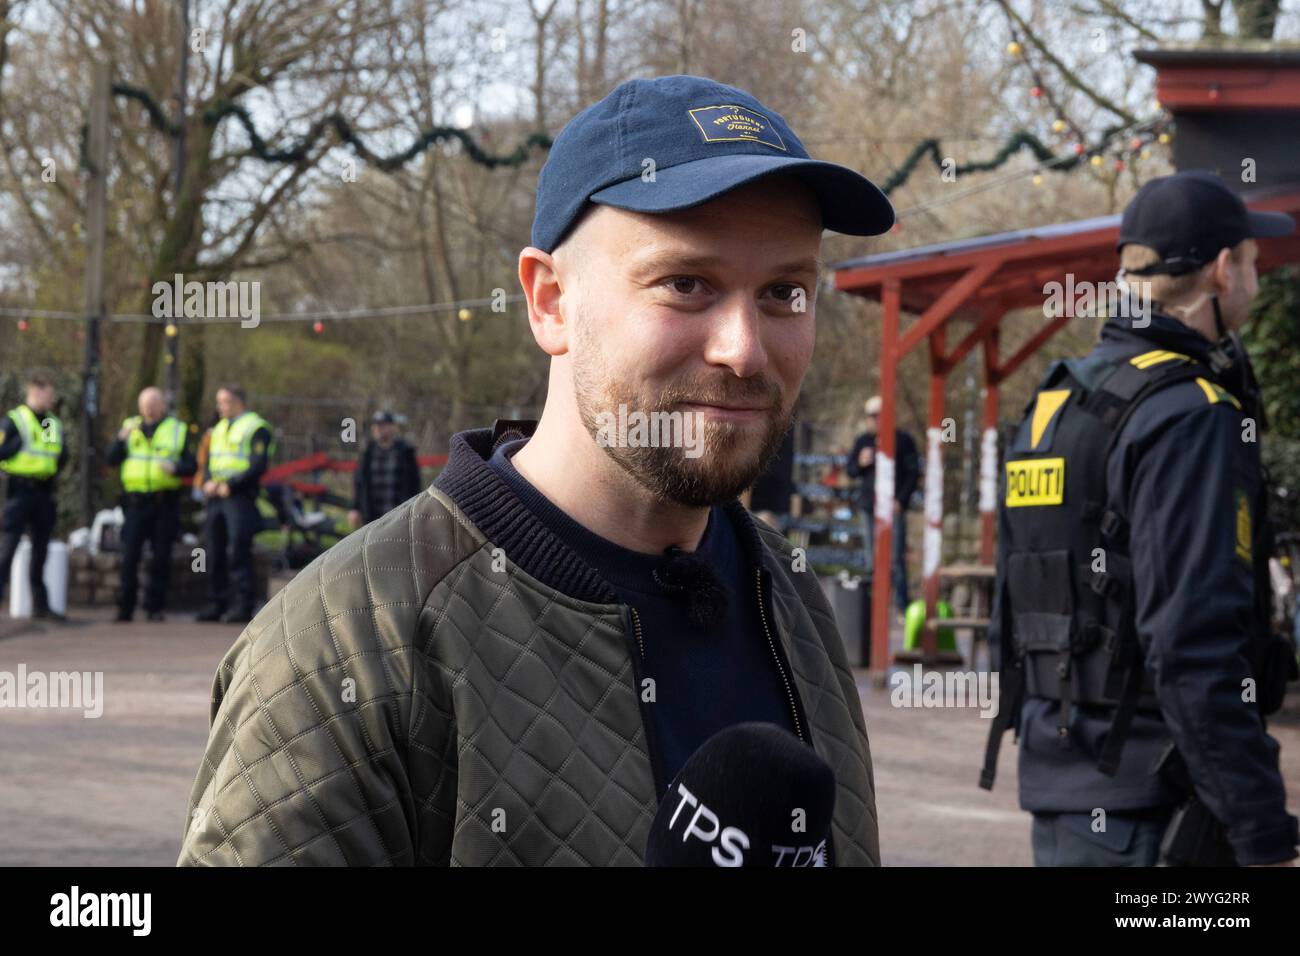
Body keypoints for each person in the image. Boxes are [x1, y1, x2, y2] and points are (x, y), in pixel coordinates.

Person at [179, 75, 892, 866]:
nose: (745, 349)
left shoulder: (792, 598)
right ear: (549, 301)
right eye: (686, 285)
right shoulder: (345, 646)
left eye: (785, 293)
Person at [981, 170, 1299, 867]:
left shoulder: (1057, 404)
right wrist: (1262, 833)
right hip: (1158, 814)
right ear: (1222, 269)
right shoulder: (1193, 418)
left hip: (1064, 795)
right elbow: (1191, 646)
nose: (1254, 279)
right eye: (1250, 261)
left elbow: (1018, 602)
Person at [106, 387, 196, 622]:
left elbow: (192, 465)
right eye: (145, 405)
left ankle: (154, 607)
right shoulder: (130, 428)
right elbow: (111, 459)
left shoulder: (177, 430)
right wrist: (119, 439)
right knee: (129, 556)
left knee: (161, 557)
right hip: (135, 502)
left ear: (162, 405)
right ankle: (125, 607)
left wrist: (175, 468)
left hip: (164, 501)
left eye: (153, 404)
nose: (149, 409)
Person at [196, 386, 273, 625]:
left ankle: (243, 605)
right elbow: (210, 461)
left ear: (239, 402)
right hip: (216, 498)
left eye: (225, 402)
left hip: (240, 498)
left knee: (238, 549)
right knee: (214, 550)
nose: (220, 407)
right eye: (219, 402)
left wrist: (232, 484)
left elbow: (259, 464)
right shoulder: (218, 428)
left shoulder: (256, 427)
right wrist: (208, 481)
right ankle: (217, 602)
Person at [0, 372, 67, 620]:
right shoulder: (15, 420)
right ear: (35, 391)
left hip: (44, 492)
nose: (52, 399)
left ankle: (41, 606)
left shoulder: (50, 422)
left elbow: (58, 453)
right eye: (49, 393)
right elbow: (2, 451)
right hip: (19, 491)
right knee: (8, 547)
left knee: (41, 550)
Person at [846, 395, 920, 612]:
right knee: (871, 560)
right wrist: (860, 463)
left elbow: (913, 472)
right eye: (872, 416)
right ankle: (873, 607)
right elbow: (850, 470)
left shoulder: (903, 441)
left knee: (896, 560)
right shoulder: (863, 441)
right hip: (870, 507)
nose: (876, 420)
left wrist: (902, 500)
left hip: (893, 508)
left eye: (879, 416)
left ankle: (901, 607)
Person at [348, 410, 422, 529]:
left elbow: (415, 484)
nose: (378, 429)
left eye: (382, 425)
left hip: (399, 516)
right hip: (372, 518)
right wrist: (355, 508)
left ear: (392, 427)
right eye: (376, 425)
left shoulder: (405, 452)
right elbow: (359, 483)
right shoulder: (368, 452)